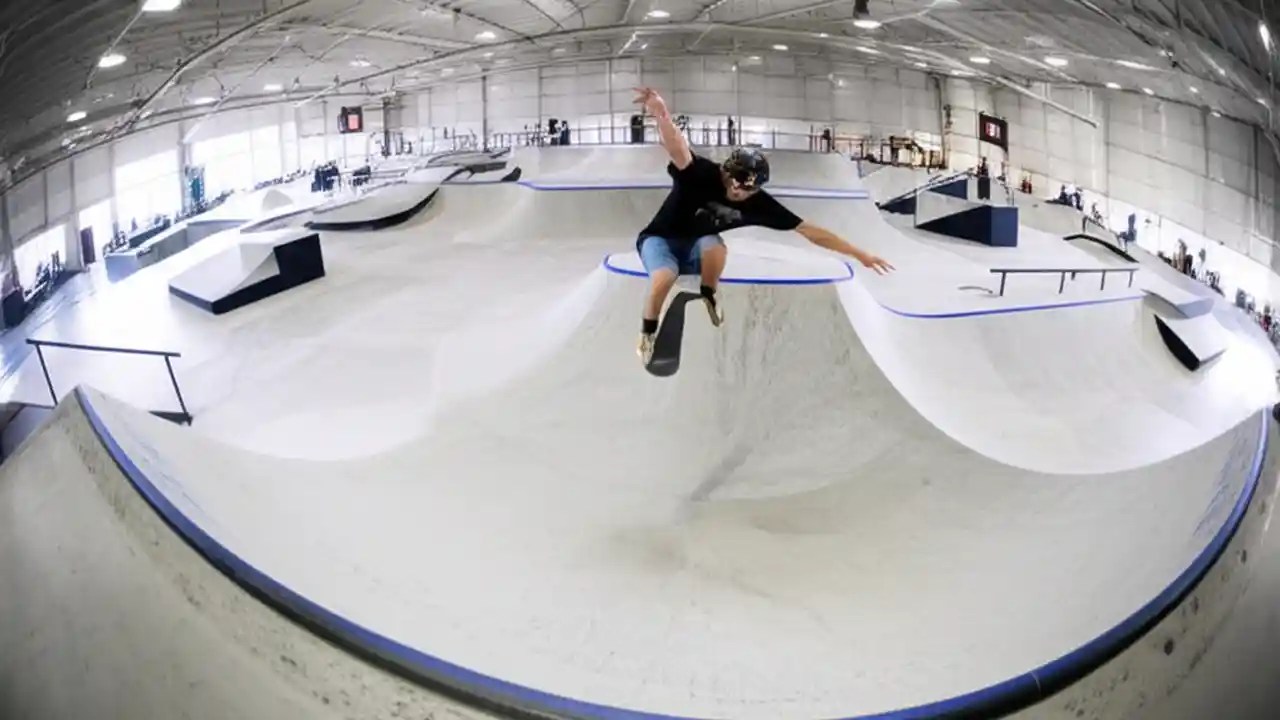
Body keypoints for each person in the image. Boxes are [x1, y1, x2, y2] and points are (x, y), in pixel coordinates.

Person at [631, 86, 895, 365]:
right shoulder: (700, 173)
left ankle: (709, 292)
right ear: (725, 173)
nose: (737, 192)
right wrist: (661, 112)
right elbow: (677, 146)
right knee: (664, 278)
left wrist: (860, 254)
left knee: (716, 248)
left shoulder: (760, 204)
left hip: (695, 245)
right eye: (732, 183)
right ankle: (647, 333)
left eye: (745, 189)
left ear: (756, 188)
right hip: (658, 239)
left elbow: (810, 231)